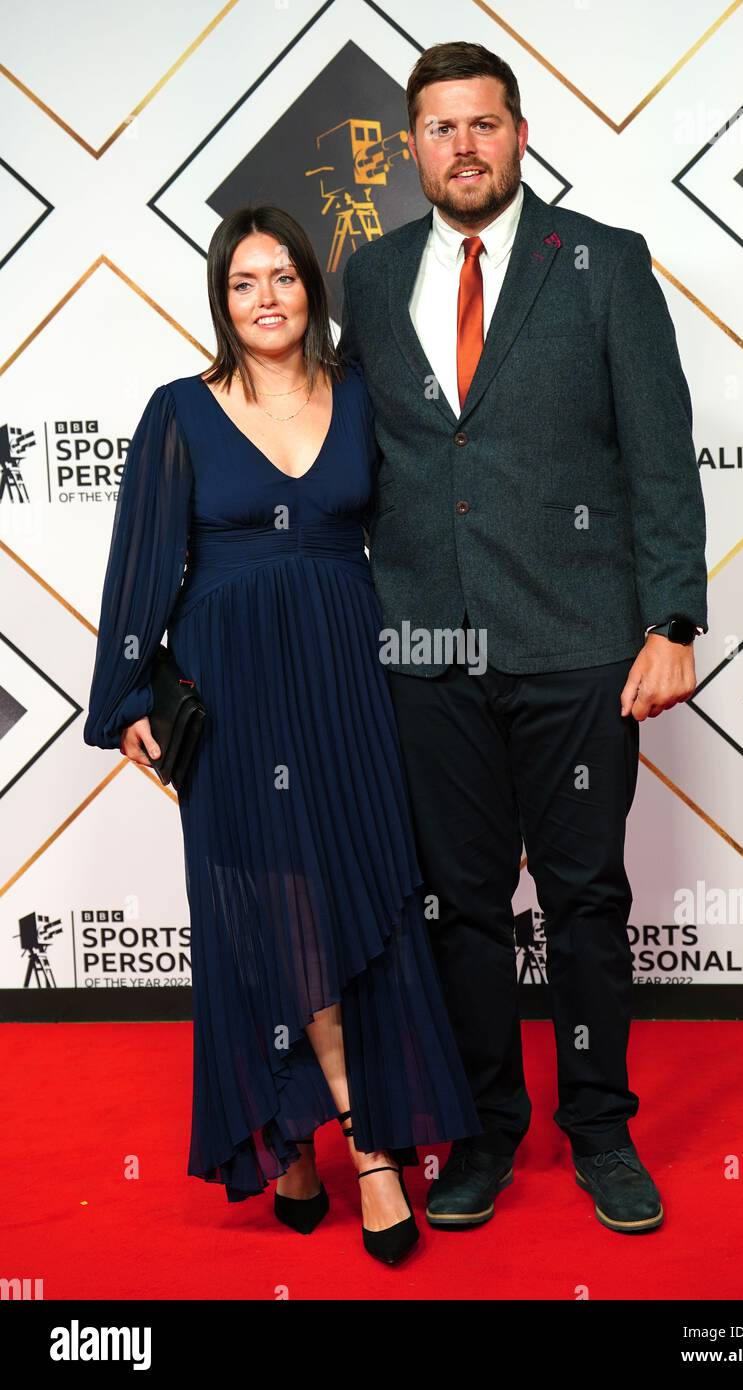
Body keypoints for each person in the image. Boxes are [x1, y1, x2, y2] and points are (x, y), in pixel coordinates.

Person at [338, 41, 709, 1235]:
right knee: (460, 903)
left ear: (520, 131)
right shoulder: (371, 271)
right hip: (425, 653)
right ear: (411, 147)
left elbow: (658, 453)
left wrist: (670, 619)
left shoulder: (599, 262)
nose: (462, 145)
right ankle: (486, 1130)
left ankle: (597, 1126)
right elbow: (361, 453)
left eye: (482, 124)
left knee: (584, 897)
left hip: (576, 646)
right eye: (438, 127)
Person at [82, 204, 482, 1265]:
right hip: (234, 678)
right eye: (243, 282)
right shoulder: (179, 410)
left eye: (284, 278)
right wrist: (125, 695)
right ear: (220, 301)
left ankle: (301, 1141)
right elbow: (141, 560)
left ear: (313, 288)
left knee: (356, 891)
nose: (266, 298)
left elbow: (412, 535)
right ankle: (366, 1148)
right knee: (264, 909)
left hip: (351, 674)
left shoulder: (361, 398)